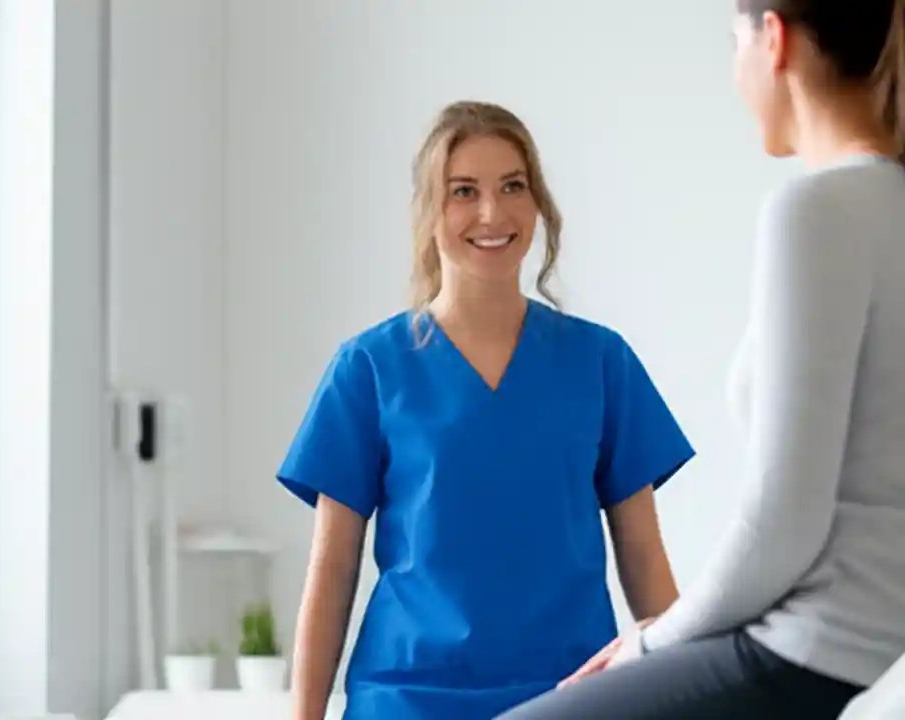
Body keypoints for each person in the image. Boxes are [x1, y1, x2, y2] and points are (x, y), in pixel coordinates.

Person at [500, 1, 905, 719]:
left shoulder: (818, 211)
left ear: (772, 39)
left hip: (811, 650)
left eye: (732, 42)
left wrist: (649, 645)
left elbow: (783, 523)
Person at [278, 101, 696, 720]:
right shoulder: (368, 368)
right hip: (408, 698)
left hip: (573, 695)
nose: (492, 213)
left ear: (538, 204)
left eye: (512, 187)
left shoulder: (600, 362)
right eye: (463, 191)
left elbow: (643, 555)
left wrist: (685, 696)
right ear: (429, 209)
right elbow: (333, 567)